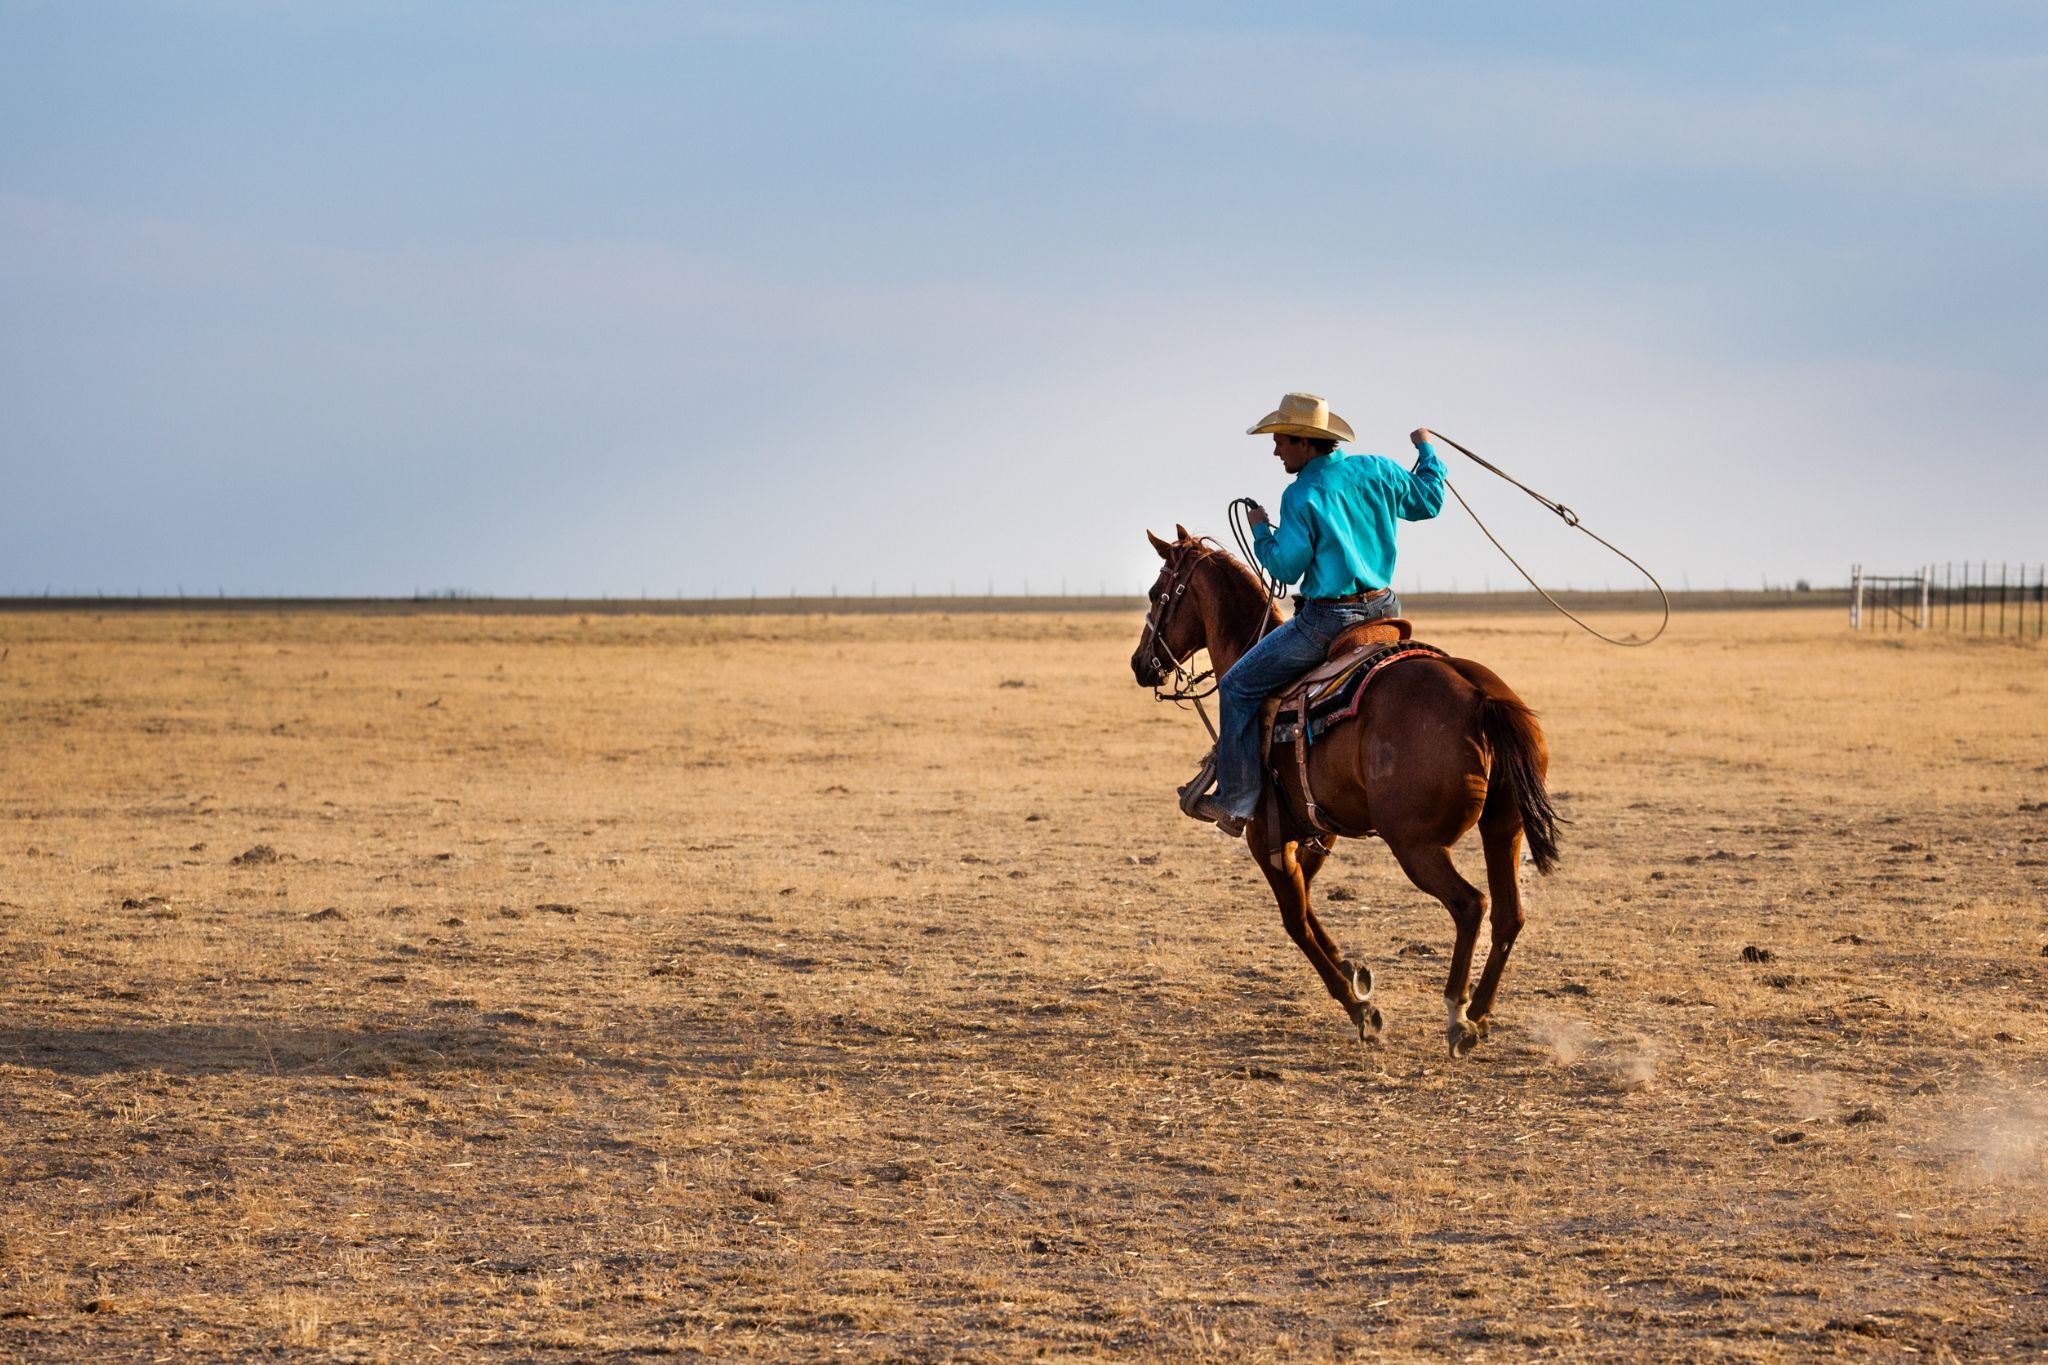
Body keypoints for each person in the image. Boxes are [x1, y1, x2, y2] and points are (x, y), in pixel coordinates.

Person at [1189, 392, 1446, 837]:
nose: (1275, 450)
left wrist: (1261, 531)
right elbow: (1429, 501)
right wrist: (1426, 449)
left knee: (1237, 686)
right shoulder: (1378, 469)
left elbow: (1286, 568)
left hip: (1330, 620)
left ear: (1304, 442)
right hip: (1384, 609)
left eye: (1280, 440)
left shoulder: (1301, 495)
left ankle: (1236, 801)